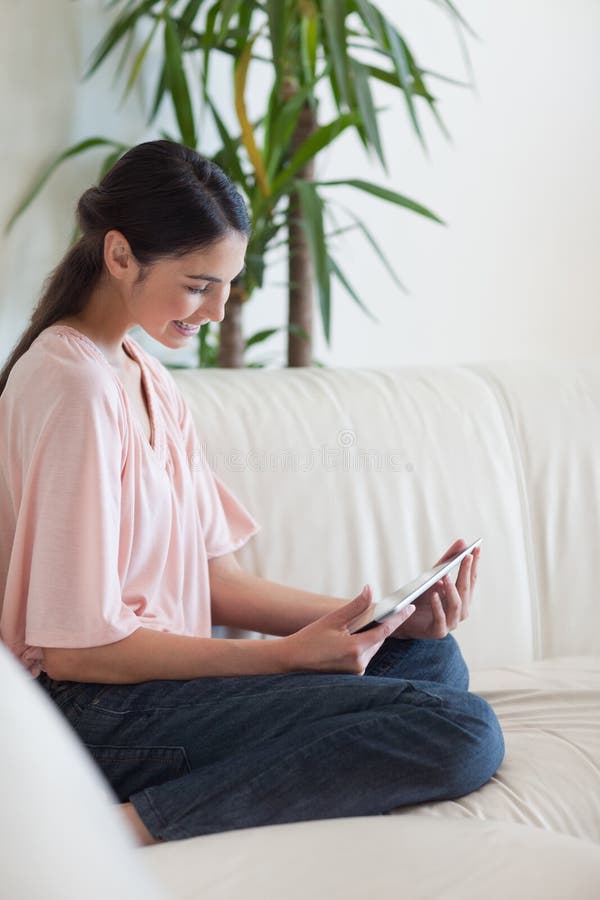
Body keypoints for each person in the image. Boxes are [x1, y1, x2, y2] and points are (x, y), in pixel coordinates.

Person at [0, 139, 504, 847]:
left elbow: (215, 582)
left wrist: (374, 620)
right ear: (119, 255)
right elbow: (78, 652)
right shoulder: (72, 386)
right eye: (199, 282)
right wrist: (284, 656)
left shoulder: (148, 378)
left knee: (430, 659)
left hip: (158, 697)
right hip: (91, 714)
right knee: (464, 730)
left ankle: (247, 771)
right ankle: (119, 828)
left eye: (228, 285)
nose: (215, 310)